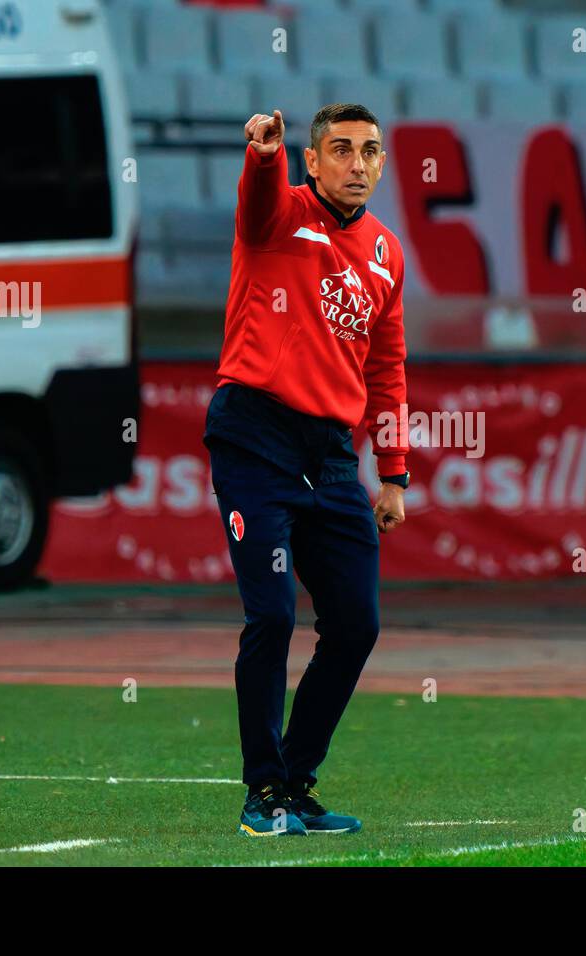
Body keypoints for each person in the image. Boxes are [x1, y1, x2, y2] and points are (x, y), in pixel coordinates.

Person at [204, 104, 410, 836]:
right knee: (273, 614)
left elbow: (386, 367)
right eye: (343, 151)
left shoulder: (387, 252)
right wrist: (263, 155)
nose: (359, 164)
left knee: (356, 622)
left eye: (371, 152)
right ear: (314, 162)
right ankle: (262, 792)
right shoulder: (277, 214)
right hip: (256, 435)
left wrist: (393, 472)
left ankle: (294, 781)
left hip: (328, 454)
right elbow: (258, 198)